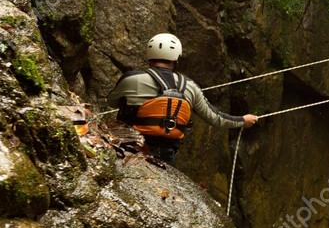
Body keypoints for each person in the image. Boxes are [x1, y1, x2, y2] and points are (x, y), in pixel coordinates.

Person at [108, 33, 257, 164]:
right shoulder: (191, 87)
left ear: (149, 54)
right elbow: (215, 117)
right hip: (166, 153)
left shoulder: (131, 79)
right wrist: (243, 120)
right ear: (177, 57)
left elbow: (111, 101)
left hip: (130, 146)